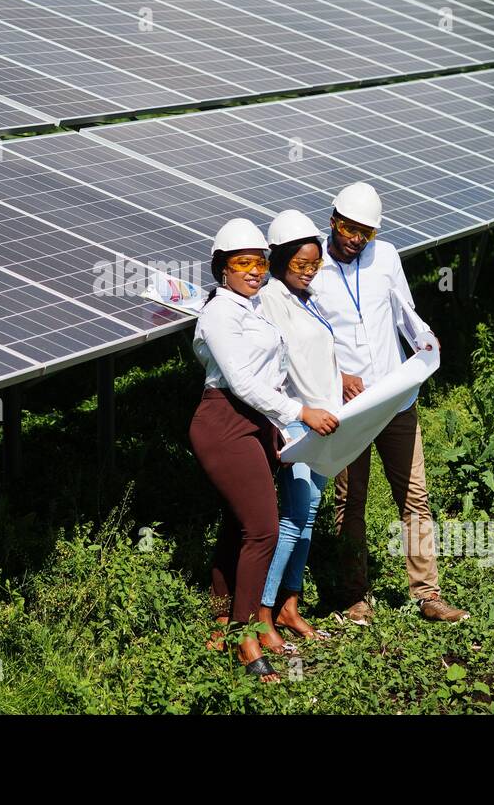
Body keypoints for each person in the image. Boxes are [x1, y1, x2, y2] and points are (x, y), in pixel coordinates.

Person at [311, 183, 470, 625]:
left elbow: (405, 313)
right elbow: (305, 338)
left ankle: (428, 594)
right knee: (351, 500)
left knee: (414, 497)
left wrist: (423, 338)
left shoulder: (387, 258)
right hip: (350, 409)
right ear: (333, 220)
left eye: (366, 232)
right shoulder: (312, 267)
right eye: (348, 228)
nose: (356, 238)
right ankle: (355, 596)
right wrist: (337, 377)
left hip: (396, 398)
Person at [189, 218, 339, 682]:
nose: (254, 270)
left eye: (260, 262)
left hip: (256, 424)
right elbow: (242, 382)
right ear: (223, 268)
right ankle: (245, 633)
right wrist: (300, 411)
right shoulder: (221, 313)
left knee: (239, 524)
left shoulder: (252, 309)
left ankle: (220, 618)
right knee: (265, 528)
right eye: (242, 262)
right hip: (224, 421)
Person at [255, 210, 340, 654]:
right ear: (280, 260)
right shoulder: (269, 296)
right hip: (296, 422)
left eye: (315, 265)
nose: (309, 273)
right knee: (292, 516)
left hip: (328, 422)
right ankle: (262, 615)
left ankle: (290, 605)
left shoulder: (306, 297)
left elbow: (316, 352)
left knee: (309, 513)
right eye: (301, 265)